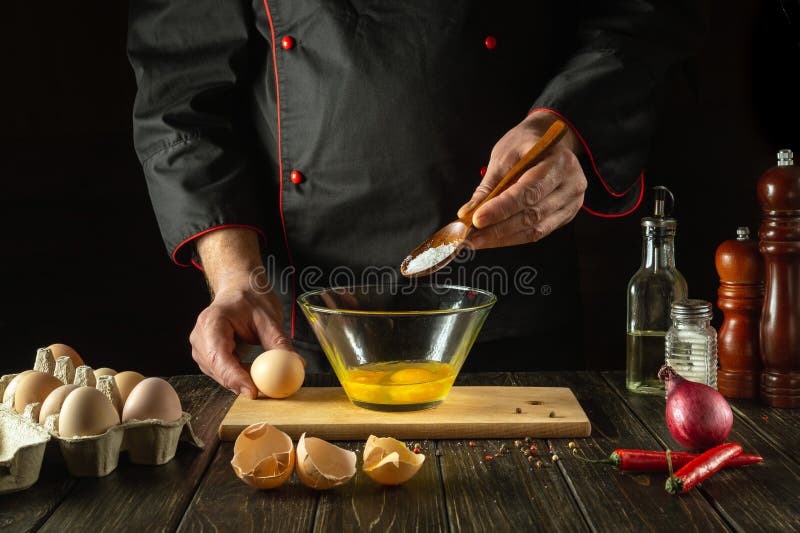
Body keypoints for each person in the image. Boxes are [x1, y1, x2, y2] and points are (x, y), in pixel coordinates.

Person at [128, 0, 703, 397]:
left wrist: (565, 127)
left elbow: (639, 17)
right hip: (305, 326)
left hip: (511, 309)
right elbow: (181, 92)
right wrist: (235, 282)